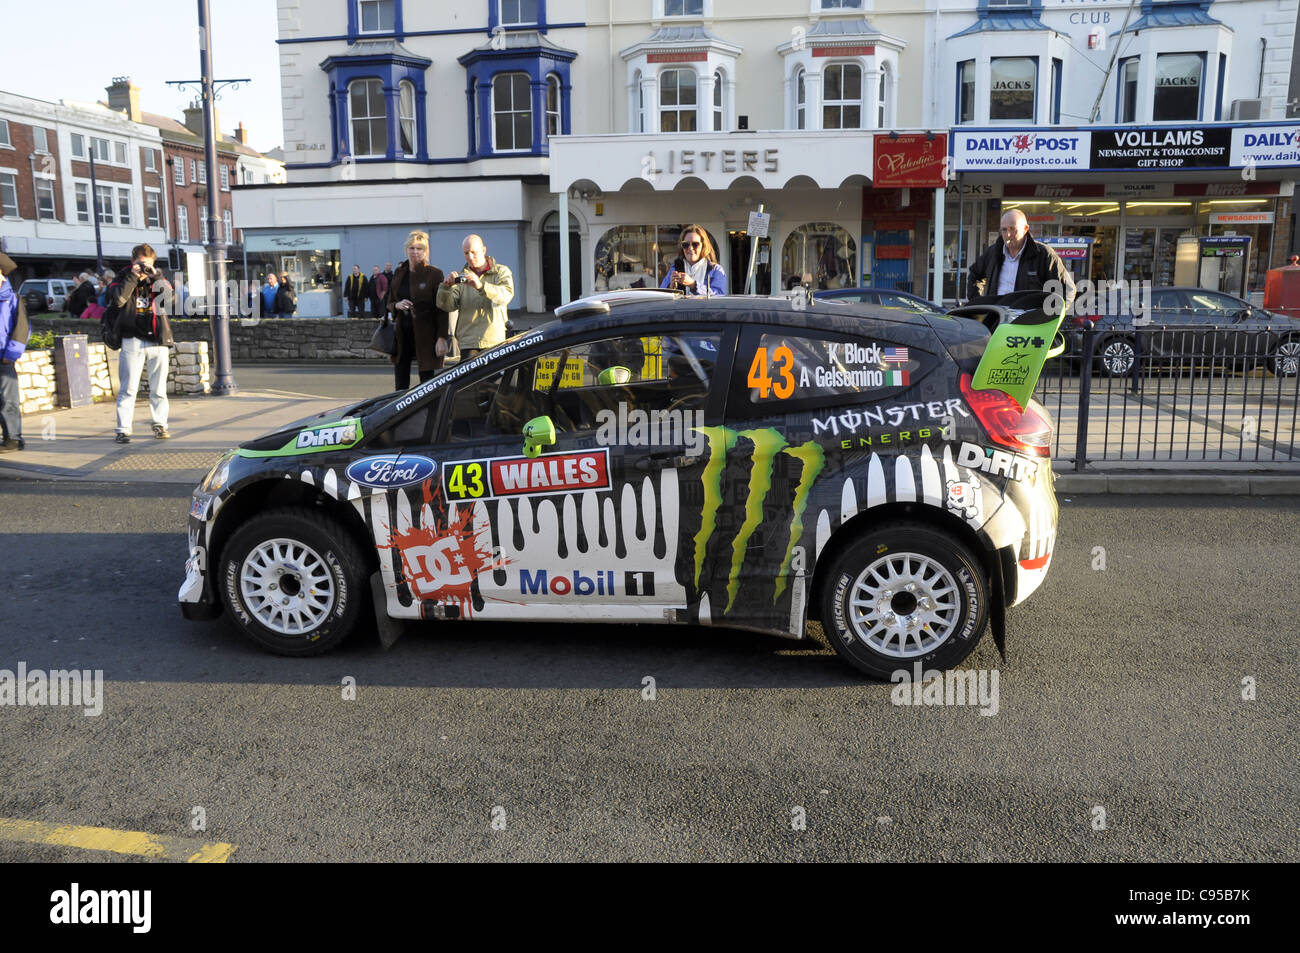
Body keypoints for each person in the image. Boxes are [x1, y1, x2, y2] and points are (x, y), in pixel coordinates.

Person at [111, 243, 174, 444]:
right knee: (128, 388)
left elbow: (169, 300)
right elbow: (118, 300)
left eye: (148, 264)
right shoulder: (122, 277)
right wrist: (133, 276)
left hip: (157, 339)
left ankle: (160, 424)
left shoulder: (158, 278)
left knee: (159, 389)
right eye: (140, 263)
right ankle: (123, 429)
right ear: (133, 262)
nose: (144, 267)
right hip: (132, 338)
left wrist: (155, 277)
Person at [966, 208, 1075, 312]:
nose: (1008, 235)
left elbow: (1067, 289)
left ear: (1025, 229)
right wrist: (979, 304)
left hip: (1028, 323)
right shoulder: (993, 253)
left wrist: (1049, 317)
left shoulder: (1043, 254)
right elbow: (975, 275)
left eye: (1012, 229)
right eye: (1004, 230)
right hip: (996, 319)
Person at [437, 233, 514, 362]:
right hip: (468, 342)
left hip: (494, 340)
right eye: (466, 253)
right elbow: (446, 305)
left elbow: (505, 295)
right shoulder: (462, 277)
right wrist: (446, 287)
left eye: (474, 252)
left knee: (494, 381)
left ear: (484, 250)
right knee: (472, 382)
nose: (470, 257)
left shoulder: (501, 271)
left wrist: (481, 286)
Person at [387, 230, 449, 389]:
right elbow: (389, 302)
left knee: (427, 383)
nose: (415, 252)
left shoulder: (435, 274)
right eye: (412, 248)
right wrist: (397, 305)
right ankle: (400, 412)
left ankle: (430, 412)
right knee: (400, 382)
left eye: (419, 248)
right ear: (406, 250)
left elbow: (442, 308)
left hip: (426, 335)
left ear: (426, 251)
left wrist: (442, 337)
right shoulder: (399, 272)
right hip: (402, 334)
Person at [0, 252, 27, 453]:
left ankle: (13, 438)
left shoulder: (12, 299)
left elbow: (22, 329)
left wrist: (10, 355)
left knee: (8, 400)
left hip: (4, 358)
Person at [660, 225, 726, 296]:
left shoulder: (715, 269)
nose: (690, 248)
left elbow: (719, 295)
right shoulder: (675, 268)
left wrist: (693, 285)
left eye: (695, 244)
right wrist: (671, 288)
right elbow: (661, 295)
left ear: (703, 246)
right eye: (686, 245)